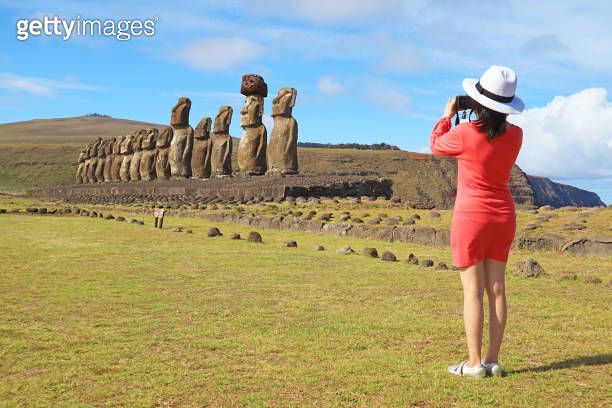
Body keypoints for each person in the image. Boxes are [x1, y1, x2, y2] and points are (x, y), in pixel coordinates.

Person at [429, 65, 525, 378]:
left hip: (471, 216)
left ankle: (473, 364)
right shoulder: (516, 136)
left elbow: (436, 144)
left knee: (473, 292)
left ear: (479, 102)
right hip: (503, 215)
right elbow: (495, 134)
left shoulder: (465, 132)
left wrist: (447, 115)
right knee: (497, 289)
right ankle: (493, 360)